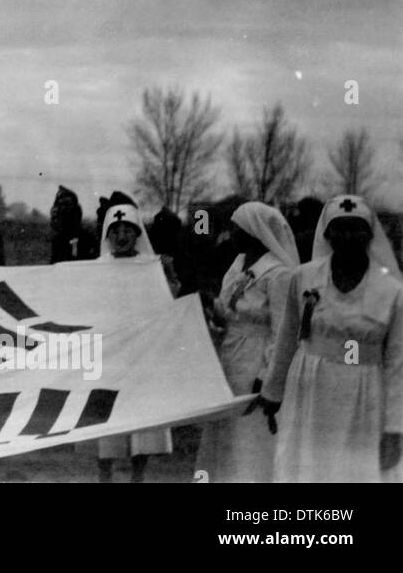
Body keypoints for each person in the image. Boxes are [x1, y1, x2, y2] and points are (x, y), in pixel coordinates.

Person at [258, 194, 402, 482]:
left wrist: (395, 426)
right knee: (307, 466)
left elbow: (398, 363)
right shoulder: (304, 278)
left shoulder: (392, 291)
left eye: (356, 228)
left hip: (364, 392)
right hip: (311, 387)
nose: (347, 236)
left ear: (369, 235)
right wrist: (273, 391)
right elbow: (287, 338)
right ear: (327, 234)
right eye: (339, 228)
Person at [193, 202, 297, 483]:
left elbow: (282, 330)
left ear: (255, 231)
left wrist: (267, 376)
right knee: (224, 431)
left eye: (237, 228)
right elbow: (230, 312)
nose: (231, 233)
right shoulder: (238, 265)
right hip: (230, 355)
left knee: (248, 433)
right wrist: (210, 306)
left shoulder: (279, 274)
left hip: (256, 357)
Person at [93, 195, 174, 482]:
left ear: (137, 233)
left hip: (140, 355)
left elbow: (167, 303)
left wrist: (166, 275)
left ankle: (137, 477)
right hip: (108, 355)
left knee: (141, 424)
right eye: (115, 231)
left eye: (128, 230)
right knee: (106, 423)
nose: (122, 236)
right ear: (108, 235)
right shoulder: (96, 269)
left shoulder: (149, 267)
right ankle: (106, 476)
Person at [49, 185, 98, 263]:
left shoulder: (87, 237)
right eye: (61, 205)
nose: (63, 209)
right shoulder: (57, 240)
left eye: (66, 204)